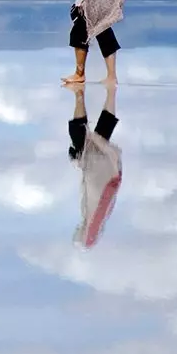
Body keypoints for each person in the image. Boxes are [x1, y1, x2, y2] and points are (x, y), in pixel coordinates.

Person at [67, 84, 123, 249]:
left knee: (96, 134)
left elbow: (88, 185)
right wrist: (86, 241)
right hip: (106, 168)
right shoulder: (94, 220)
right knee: (92, 135)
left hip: (102, 167)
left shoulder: (90, 214)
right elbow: (89, 236)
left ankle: (83, 93)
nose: (78, 229)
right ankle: (83, 92)